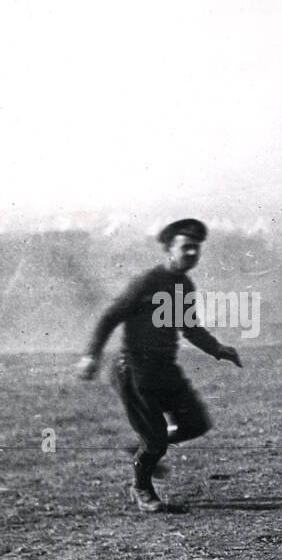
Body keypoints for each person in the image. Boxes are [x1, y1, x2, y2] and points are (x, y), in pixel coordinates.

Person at [76, 218, 243, 512]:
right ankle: (142, 489)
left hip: (165, 368)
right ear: (169, 249)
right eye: (186, 247)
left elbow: (190, 328)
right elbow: (110, 317)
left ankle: (142, 447)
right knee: (156, 443)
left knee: (196, 423)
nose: (192, 253)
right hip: (134, 369)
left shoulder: (184, 285)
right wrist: (92, 355)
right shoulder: (147, 282)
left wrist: (219, 349)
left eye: (196, 248)